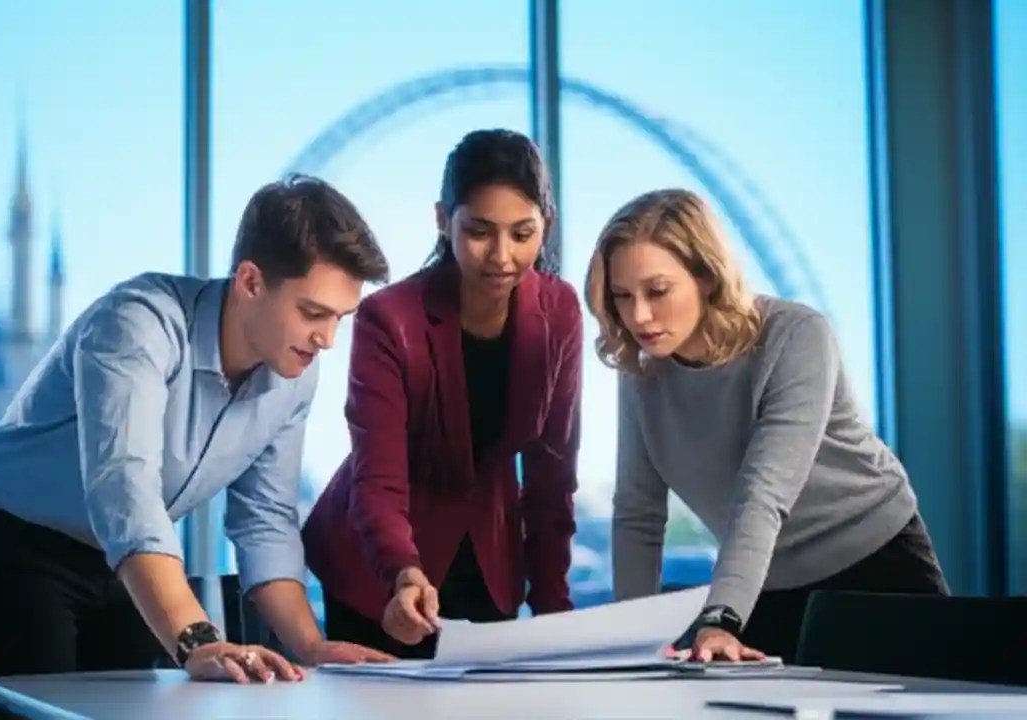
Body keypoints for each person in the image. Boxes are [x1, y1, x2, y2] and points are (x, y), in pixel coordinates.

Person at [0, 175, 395, 695]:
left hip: (125, 560)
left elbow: (265, 520)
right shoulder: (136, 324)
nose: (329, 339)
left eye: (340, 318)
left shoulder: (294, 369)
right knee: (46, 709)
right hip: (14, 540)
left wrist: (311, 646)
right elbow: (126, 490)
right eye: (313, 313)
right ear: (251, 282)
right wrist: (198, 639)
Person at [585, 188, 949, 663]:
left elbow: (762, 494)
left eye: (657, 291)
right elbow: (638, 510)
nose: (638, 316)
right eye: (621, 296)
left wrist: (720, 618)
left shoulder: (797, 335)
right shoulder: (642, 370)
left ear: (706, 277)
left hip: (875, 564)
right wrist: (631, 638)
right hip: (764, 580)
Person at [302, 129, 583, 659]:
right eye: (479, 231)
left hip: (490, 562)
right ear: (442, 219)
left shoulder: (560, 312)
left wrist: (554, 615)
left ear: (545, 226)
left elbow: (551, 477)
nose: (502, 256)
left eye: (523, 234)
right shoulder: (390, 317)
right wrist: (402, 573)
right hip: (377, 563)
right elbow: (379, 478)